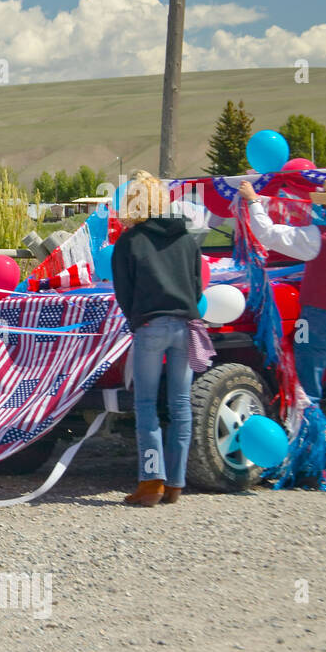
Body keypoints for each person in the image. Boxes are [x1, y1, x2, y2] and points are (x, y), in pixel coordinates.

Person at [111, 172, 203, 506]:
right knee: (180, 404)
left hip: (150, 326)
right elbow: (197, 286)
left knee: (146, 404)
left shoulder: (130, 241)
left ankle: (151, 483)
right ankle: (176, 482)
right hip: (184, 325)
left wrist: (137, 317)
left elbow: (124, 290)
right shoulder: (187, 239)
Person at [241, 175, 326, 439]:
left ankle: (308, 455)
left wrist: (254, 202)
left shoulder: (318, 237)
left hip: (315, 321)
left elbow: (268, 234)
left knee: (307, 390)